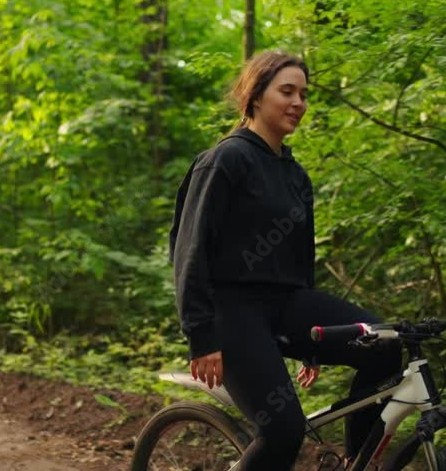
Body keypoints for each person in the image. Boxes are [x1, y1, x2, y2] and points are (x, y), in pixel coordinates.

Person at [170, 51, 401, 469]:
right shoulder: (225, 160)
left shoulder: (295, 175)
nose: (298, 102)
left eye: (304, 94)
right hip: (233, 312)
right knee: (283, 431)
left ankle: (356, 462)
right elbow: (190, 251)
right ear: (256, 95)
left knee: (384, 344)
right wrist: (201, 336)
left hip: (288, 303)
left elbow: (299, 259)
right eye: (287, 91)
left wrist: (314, 340)